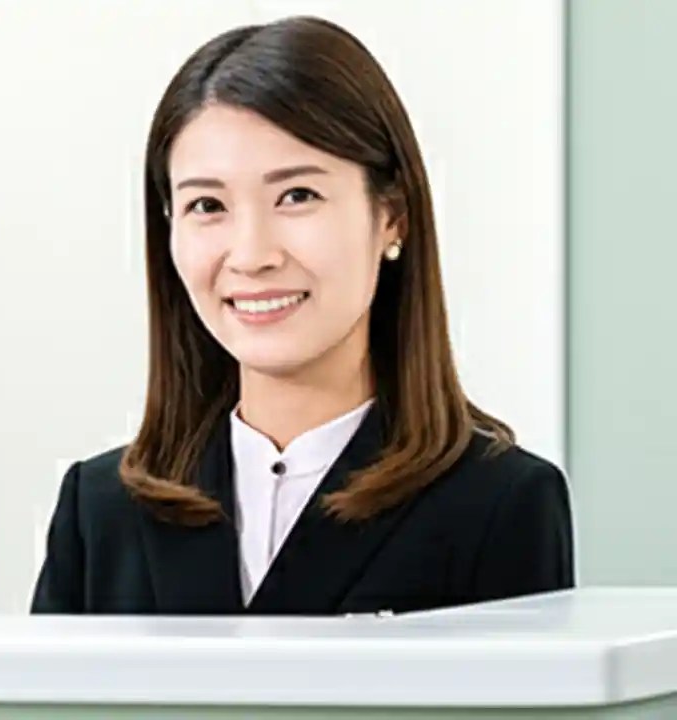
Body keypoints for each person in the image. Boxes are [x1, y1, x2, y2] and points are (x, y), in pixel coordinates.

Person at [31, 16, 573, 615]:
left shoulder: (500, 503)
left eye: (297, 196)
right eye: (207, 205)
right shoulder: (100, 510)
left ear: (391, 215)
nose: (253, 255)